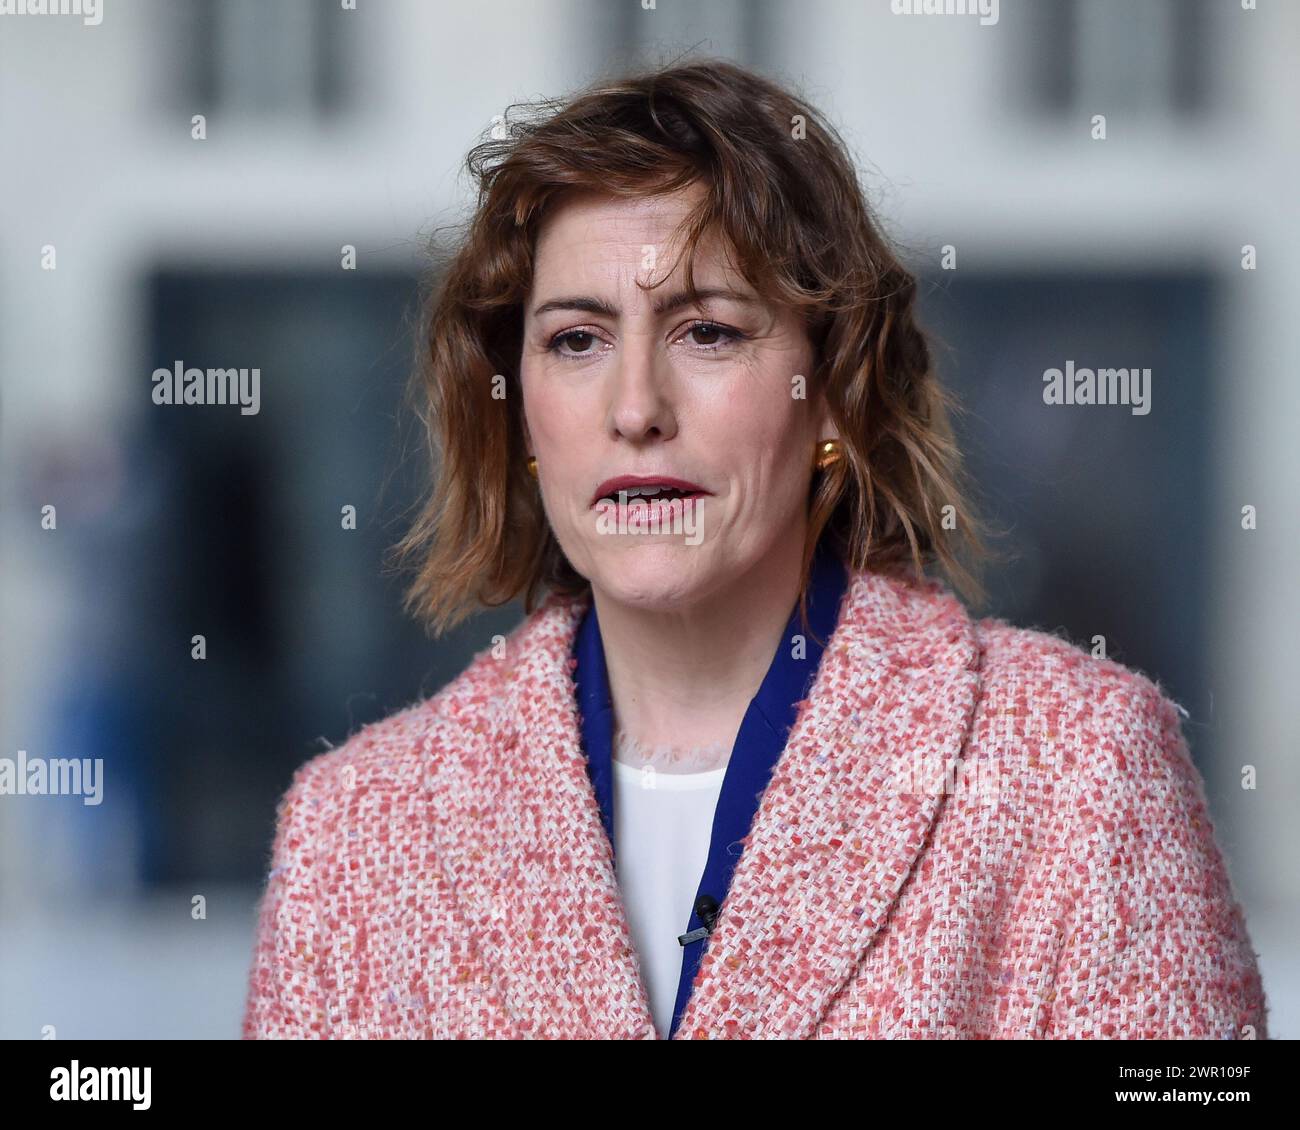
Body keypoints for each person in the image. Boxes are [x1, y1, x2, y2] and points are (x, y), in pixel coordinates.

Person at [241, 58, 1268, 1040]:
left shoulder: (1079, 770)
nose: (635, 407)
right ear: (516, 416)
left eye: (709, 332)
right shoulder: (355, 831)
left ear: (833, 390)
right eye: (574, 339)